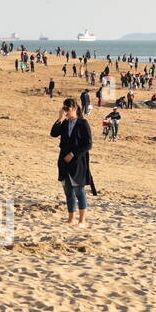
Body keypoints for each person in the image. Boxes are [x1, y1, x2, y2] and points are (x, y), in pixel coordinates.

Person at [50, 97, 93, 227]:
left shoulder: (83, 123)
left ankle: (82, 221)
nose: (65, 111)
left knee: (79, 191)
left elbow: (88, 144)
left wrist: (73, 154)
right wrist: (59, 119)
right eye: (64, 108)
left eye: (67, 109)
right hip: (63, 162)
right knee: (68, 191)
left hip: (77, 162)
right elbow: (53, 134)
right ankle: (71, 219)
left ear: (74, 108)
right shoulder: (65, 123)